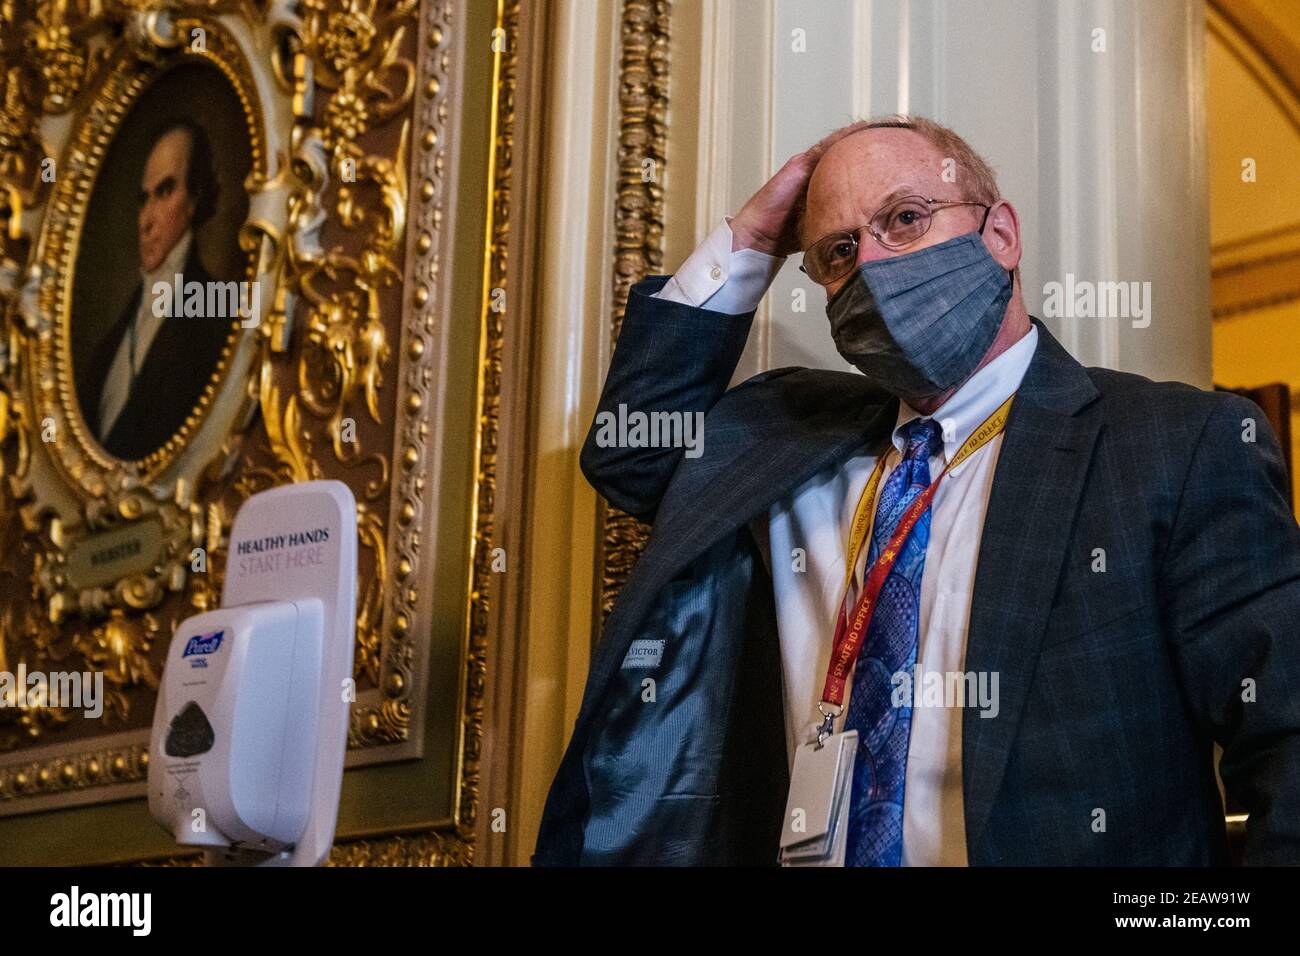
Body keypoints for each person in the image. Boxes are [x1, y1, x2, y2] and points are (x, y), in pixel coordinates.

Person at [533, 115, 1300, 866]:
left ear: (1000, 235)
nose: (870, 264)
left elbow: (1286, 738)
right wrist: (752, 242)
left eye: (904, 218)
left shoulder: (1173, 444)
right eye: (838, 252)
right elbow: (630, 451)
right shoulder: (788, 442)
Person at [78, 120, 231, 460]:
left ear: (193, 201)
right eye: (143, 199)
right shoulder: (110, 343)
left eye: (164, 193)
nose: (145, 220)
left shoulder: (219, 314)